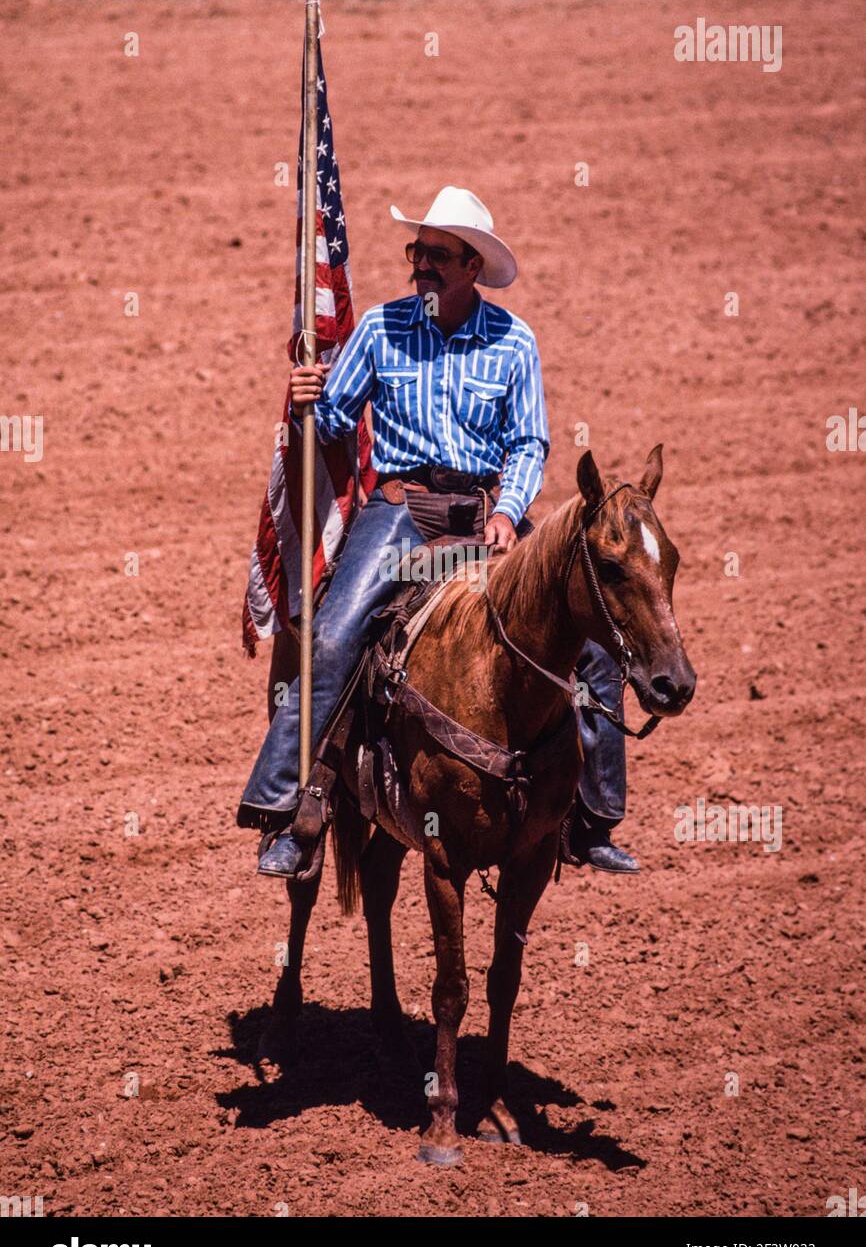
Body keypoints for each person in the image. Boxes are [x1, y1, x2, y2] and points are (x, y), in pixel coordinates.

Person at [238, 186, 636, 878]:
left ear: (471, 267)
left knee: (596, 638)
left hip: (487, 511)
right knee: (335, 635)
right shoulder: (381, 329)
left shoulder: (514, 341)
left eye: (438, 255)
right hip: (401, 511)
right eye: (417, 251)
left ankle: (590, 820)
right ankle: (288, 809)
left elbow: (529, 444)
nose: (422, 263)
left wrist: (510, 514)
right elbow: (334, 425)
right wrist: (308, 400)